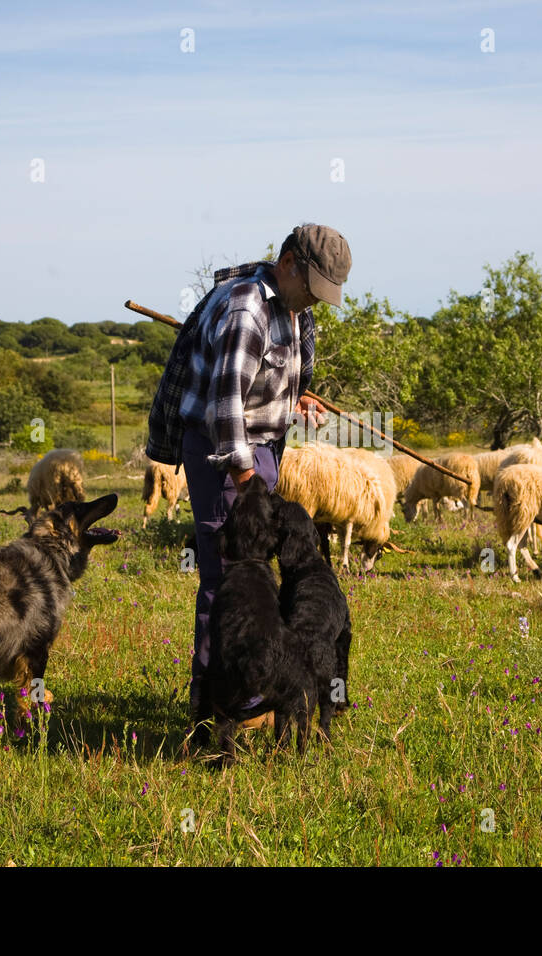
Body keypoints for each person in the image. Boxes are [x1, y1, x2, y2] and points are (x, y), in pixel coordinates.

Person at [145, 223, 352, 745]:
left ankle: (257, 693)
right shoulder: (247, 308)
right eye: (314, 287)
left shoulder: (291, 308)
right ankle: (214, 711)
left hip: (260, 449)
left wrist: (297, 400)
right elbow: (226, 403)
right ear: (288, 264)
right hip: (224, 452)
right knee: (229, 583)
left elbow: (271, 379)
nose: (316, 302)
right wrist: (245, 478)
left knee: (260, 577)